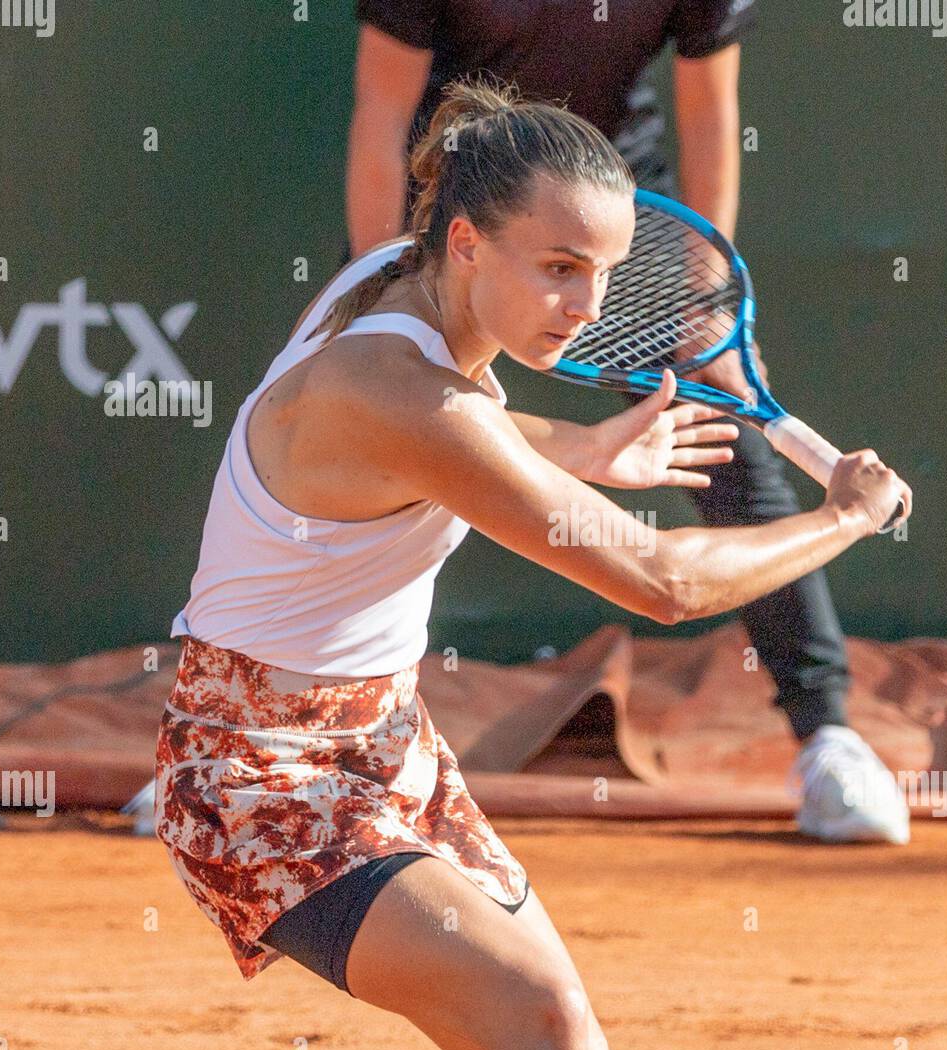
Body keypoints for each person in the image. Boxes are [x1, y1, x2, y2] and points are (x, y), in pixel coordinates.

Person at [155, 82, 909, 1050]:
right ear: (465, 240)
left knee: (559, 1040)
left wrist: (583, 452)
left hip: (388, 747)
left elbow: (430, 439)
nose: (587, 307)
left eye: (603, 271)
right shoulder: (404, 394)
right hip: (256, 777)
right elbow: (662, 581)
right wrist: (840, 518)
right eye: (558, 267)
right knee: (539, 1013)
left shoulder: (390, 273)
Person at [346, 0, 913, 844]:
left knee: (722, 447)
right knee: (376, 452)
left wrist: (705, 301)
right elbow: (385, 112)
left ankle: (827, 735)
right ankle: (268, 745)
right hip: (467, 203)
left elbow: (709, 113)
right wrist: (378, 288)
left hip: (619, 204)